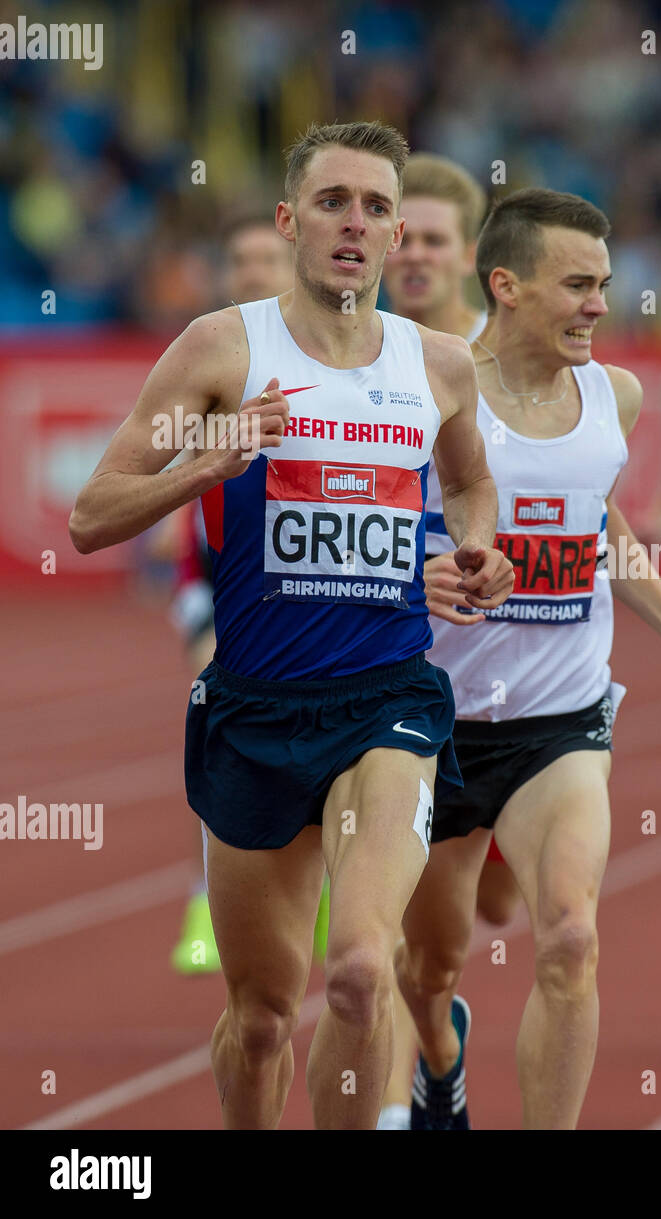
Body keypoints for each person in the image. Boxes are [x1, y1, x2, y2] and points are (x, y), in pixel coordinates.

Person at [68, 120, 515, 1129]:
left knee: (360, 970)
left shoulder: (439, 366)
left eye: (374, 207)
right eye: (332, 202)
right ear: (290, 220)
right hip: (256, 710)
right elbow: (92, 516)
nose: (354, 224)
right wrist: (207, 462)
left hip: (388, 703)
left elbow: (472, 482)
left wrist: (476, 550)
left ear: (397, 234)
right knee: (264, 1015)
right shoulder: (223, 346)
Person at [394, 187, 661, 1129]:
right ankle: (440, 1054)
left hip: (560, 727)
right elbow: (373, 533)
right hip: (429, 723)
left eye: (605, 284)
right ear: (507, 285)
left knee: (569, 939)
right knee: (428, 966)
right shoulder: (430, 391)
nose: (602, 305)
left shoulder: (615, 393)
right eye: (578, 285)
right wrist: (425, 572)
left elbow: (602, 526)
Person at [375, 152, 521, 1131]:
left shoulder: (510, 365)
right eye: (402, 239)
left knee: (481, 922)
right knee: (378, 925)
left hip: (514, 689)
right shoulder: (354, 359)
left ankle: (440, 1033)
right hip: (386, 678)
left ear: (468, 253)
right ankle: (399, 1102)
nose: (415, 255)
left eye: (434, 239)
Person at [170, 213, 303, 976]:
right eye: (238, 258)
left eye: (264, 257)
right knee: (216, 704)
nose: (251, 270)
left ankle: (303, 888)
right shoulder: (215, 345)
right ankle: (206, 896)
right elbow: (176, 453)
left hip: (304, 586)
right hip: (217, 580)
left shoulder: (323, 352)